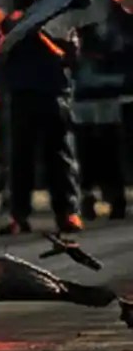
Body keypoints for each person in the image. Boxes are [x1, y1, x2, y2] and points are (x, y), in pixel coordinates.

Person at [0, 0, 84, 235]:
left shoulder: (60, 23)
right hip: (22, 95)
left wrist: (40, 33)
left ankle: (67, 212)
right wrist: (17, 28)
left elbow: (70, 56)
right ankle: (16, 214)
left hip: (54, 94)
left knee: (59, 157)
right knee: (19, 159)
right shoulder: (11, 25)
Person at [73, 19, 127, 220]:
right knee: (99, 154)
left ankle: (105, 198)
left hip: (98, 105)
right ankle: (105, 198)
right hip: (93, 105)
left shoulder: (110, 39)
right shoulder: (109, 38)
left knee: (97, 154)